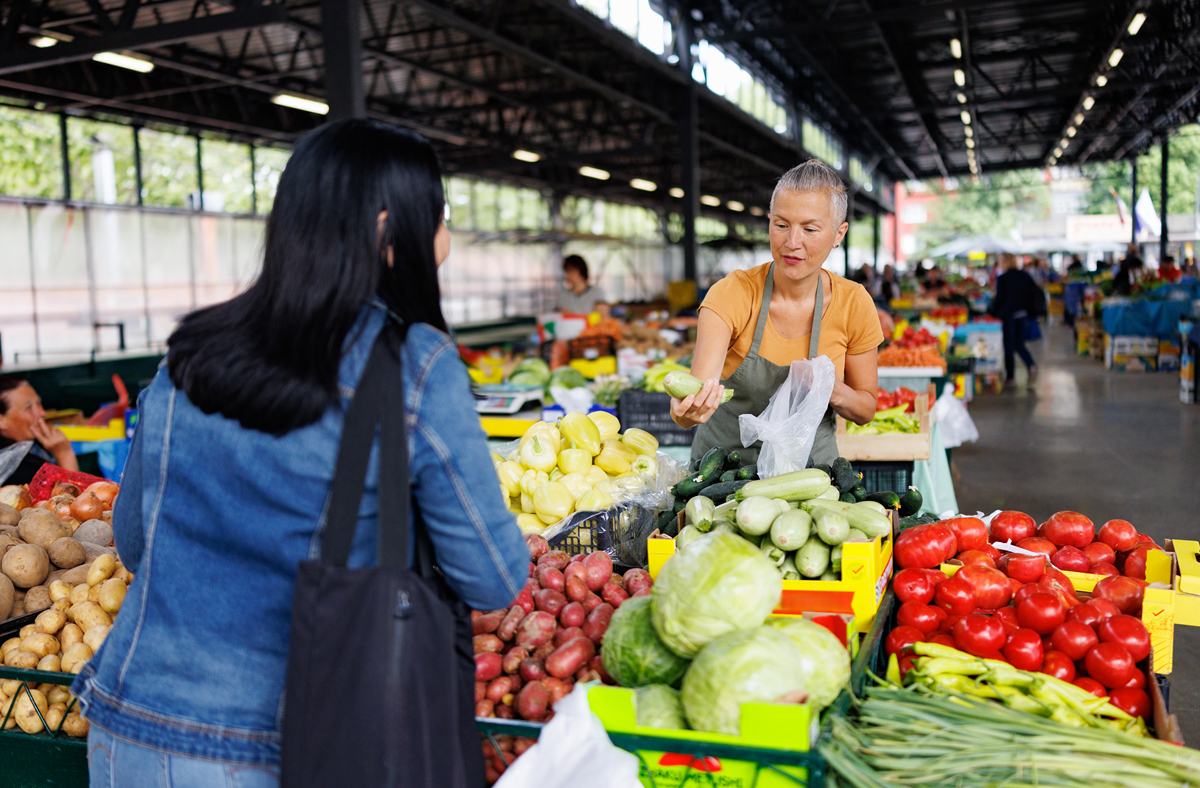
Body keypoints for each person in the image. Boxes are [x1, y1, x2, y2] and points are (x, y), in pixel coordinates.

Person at [71, 119, 528, 786]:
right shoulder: (412, 366)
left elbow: (138, 544)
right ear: (384, 229)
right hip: (278, 749)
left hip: (126, 726)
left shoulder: (190, 355)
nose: (446, 240)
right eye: (437, 216)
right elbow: (492, 578)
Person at [669, 159, 882, 466]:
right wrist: (685, 412)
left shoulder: (854, 304)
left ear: (839, 234)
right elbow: (697, 394)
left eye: (809, 229)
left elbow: (866, 409)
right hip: (724, 472)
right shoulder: (733, 294)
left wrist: (830, 389)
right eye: (781, 225)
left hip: (809, 475)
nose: (792, 243)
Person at [0, 376, 79, 484]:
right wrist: (65, 455)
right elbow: (73, 498)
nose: (42, 413)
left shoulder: (35, 445)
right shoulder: (13, 467)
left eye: (38, 403)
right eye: (28, 408)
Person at [989, 253, 1039, 387]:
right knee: (1019, 343)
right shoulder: (1025, 276)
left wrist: (992, 313)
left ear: (1004, 262)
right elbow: (1033, 295)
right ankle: (1031, 365)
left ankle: (1010, 377)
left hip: (1008, 316)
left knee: (1008, 346)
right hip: (1023, 315)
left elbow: (1000, 299)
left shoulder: (1003, 278)